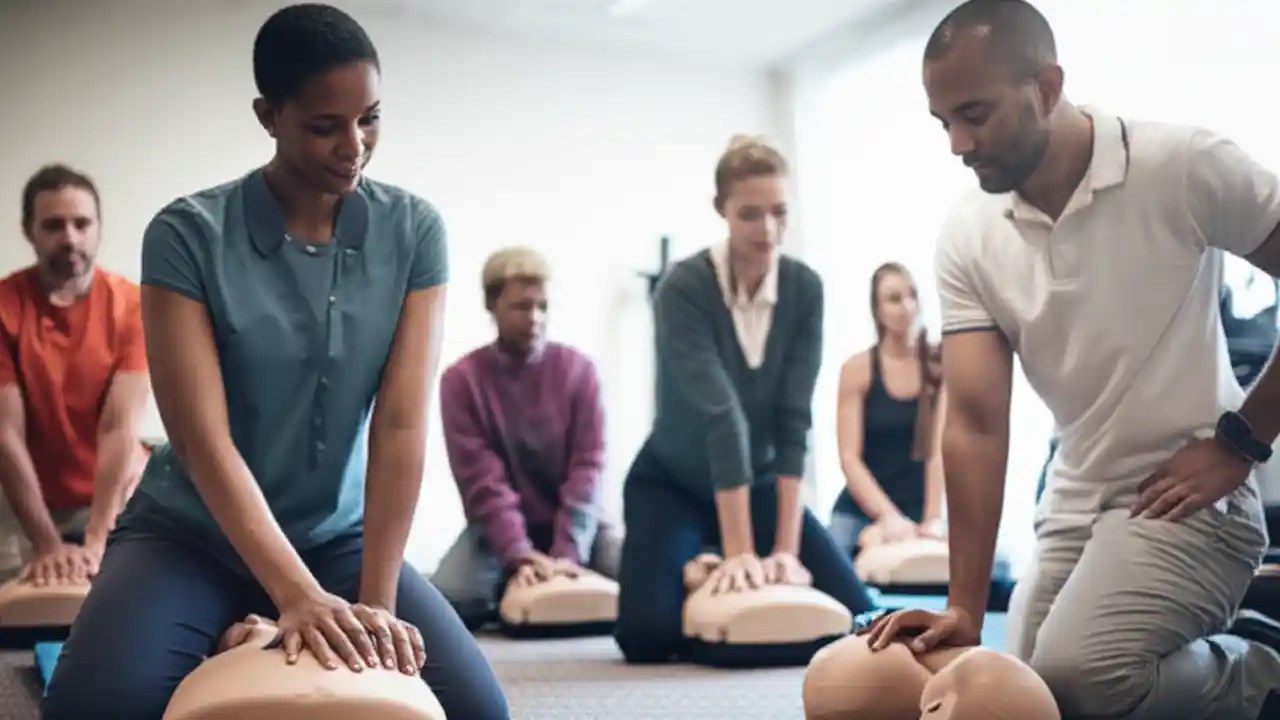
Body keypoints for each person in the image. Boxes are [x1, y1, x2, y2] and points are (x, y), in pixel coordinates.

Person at [41, 5, 507, 719]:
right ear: (269, 115)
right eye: (325, 126)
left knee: (477, 713)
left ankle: (251, 628)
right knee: (89, 709)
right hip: (188, 533)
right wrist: (296, 596)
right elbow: (202, 440)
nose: (354, 145)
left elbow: (402, 425)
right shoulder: (185, 235)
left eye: (370, 118)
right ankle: (239, 625)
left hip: (337, 538)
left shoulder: (415, 232)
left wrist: (372, 608)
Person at [861, 2, 1280, 718]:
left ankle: (1257, 669)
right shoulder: (968, 233)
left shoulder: (1181, 165)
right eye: (943, 122)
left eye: (975, 114)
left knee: (1080, 684)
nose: (958, 143)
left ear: (1047, 87)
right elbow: (975, 422)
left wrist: (1242, 442)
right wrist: (964, 608)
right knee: (1010, 694)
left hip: (1192, 498)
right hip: (1072, 507)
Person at [613, 135, 877, 663]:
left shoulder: (806, 289)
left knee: (859, 613)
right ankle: (704, 562)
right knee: (646, 637)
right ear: (721, 211)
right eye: (750, 215)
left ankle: (710, 559)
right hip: (672, 484)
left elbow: (794, 418)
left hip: (753, 483)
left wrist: (783, 550)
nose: (769, 231)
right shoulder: (682, 288)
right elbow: (721, 416)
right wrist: (740, 557)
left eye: (780, 213)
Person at [432, 246, 619, 629]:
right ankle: (516, 581)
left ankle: (535, 582)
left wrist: (567, 554)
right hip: (496, 532)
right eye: (521, 307)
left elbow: (588, 470)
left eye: (542, 306)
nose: (534, 318)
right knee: (450, 600)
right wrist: (518, 554)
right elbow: (483, 483)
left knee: (646, 576)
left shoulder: (580, 372)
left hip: (579, 528)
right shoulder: (462, 381)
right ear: (491, 305)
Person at [0, 164, 149, 586]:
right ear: (29, 231)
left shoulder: (132, 306)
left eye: (81, 223)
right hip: (25, 495)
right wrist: (47, 544)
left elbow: (119, 427)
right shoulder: (4, 306)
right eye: (53, 225)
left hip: (114, 487)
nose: (70, 237)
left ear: (98, 228)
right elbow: (5, 433)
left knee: (126, 588)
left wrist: (98, 541)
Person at [831, 262, 946, 557]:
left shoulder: (938, 365)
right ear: (877, 309)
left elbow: (938, 453)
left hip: (919, 508)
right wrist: (888, 517)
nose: (906, 306)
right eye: (894, 298)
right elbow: (849, 458)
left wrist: (932, 519)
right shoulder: (857, 370)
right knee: (833, 569)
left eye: (912, 296)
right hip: (862, 509)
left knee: (995, 573)